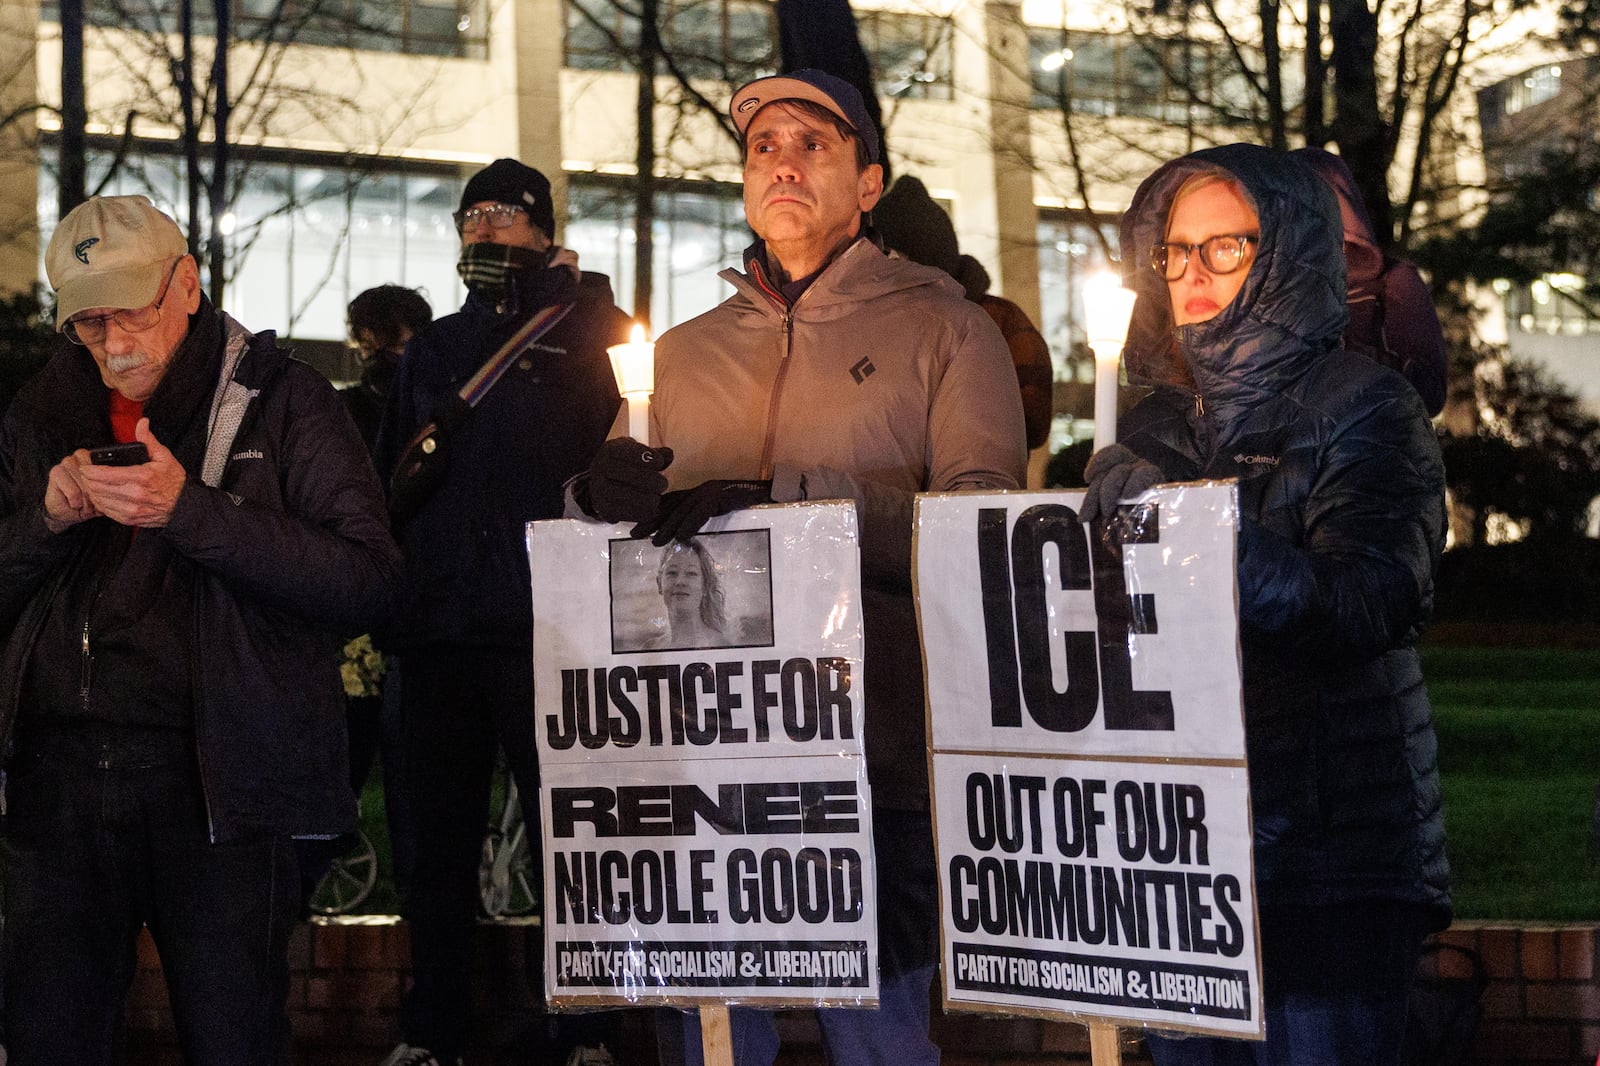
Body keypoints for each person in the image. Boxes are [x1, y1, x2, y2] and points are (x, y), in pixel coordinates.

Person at [576, 69, 1027, 1066]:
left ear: (869, 182)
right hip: (699, 756)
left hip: (874, 752)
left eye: (811, 143)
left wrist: (786, 496)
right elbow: (605, 561)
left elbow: (979, 529)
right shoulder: (681, 355)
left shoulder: (947, 331)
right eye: (761, 147)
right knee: (707, 1037)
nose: (780, 161)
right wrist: (589, 503)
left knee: (877, 1034)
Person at [0, 194, 401, 1064]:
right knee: (48, 1039)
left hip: (220, 779)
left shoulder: (282, 400)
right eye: (88, 322)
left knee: (234, 1039)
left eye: (131, 313)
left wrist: (191, 511)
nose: (113, 344)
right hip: (58, 782)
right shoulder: (38, 411)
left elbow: (368, 582)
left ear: (187, 284)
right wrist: (45, 521)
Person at [1079, 145, 1450, 1064]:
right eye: (1173, 252)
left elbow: (1370, 602)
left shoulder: (1367, 406)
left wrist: (1203, 542)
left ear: (1287, 249)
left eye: (1225, 248)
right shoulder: (1152, 431)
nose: (1191, 274)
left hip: (1332, 854)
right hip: (1180, 861)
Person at [373, 158, 628, 1066]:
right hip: (438, 628)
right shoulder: (434, 349)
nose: (484, 228)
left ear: (543, 231)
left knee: (575, 841)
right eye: (471, 214)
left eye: (505, 215)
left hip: (546, 630)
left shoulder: (597, 335)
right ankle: (433, 1027)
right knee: (431, 846)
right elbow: (391, 477)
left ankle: (588, 1026)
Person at [871, 173, 1054, 452]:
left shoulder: (997, 321)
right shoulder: (870, 320)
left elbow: (1031, 423)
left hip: (977, 486)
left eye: (891, 257)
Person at [1293, 147, 1448, 417]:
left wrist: (1339, 355)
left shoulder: (1394, 282)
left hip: (1370, 448)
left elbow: (1429, 390)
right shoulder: (1271, 286)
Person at [346, 284, 433, 450]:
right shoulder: (344, 411)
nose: (382, 360)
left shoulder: (435, 410)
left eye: (397, 346)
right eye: (368, 348)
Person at [651, 539, 729, 650]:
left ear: (705, 585)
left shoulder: (721, 646)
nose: (680, 582)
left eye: (691, 573)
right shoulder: (653, 648)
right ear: (659, 584)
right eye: (672, 573)